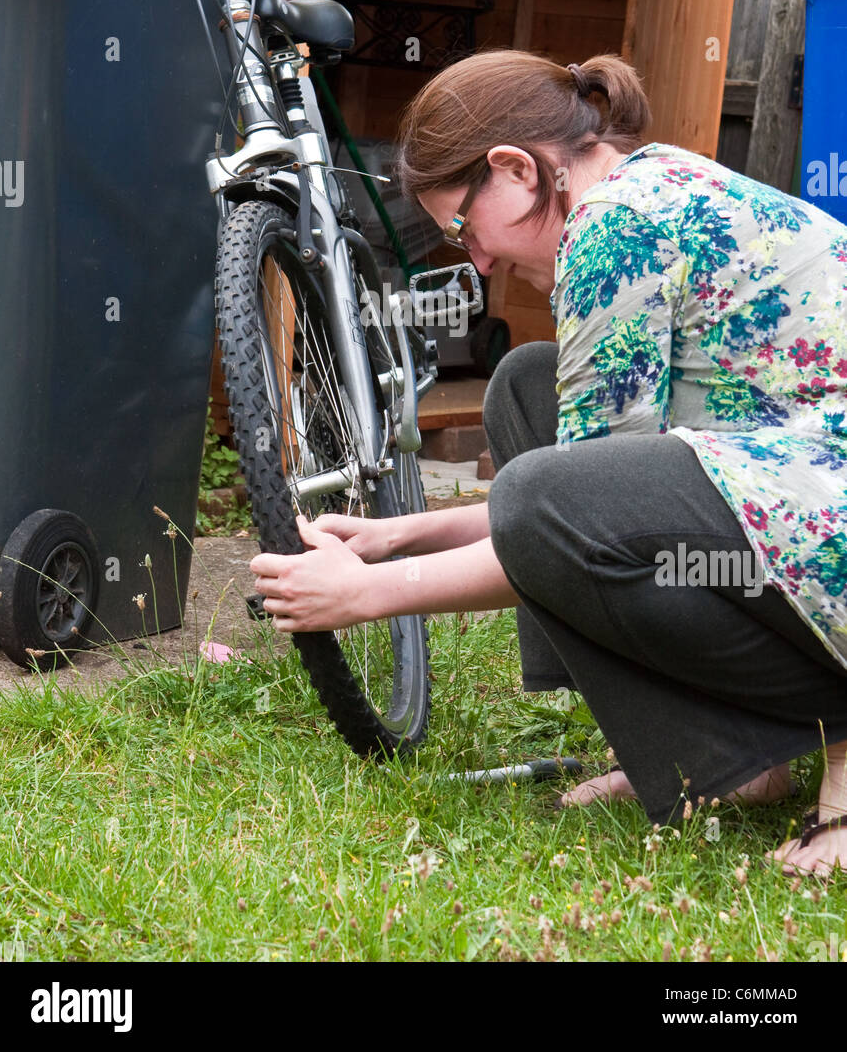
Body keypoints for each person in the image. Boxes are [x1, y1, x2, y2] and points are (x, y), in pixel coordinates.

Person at [250, 49, 847, 877]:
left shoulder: (614, 230)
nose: (479, 262)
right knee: (528, 389)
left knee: (541, 487)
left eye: (462, 228)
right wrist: (399, 538)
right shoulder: (647, 179)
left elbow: (558, 514)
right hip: (806, 488)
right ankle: (730, 757)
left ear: (514, 169)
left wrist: (368, 596)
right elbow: (594, 488)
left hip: (829, 507)